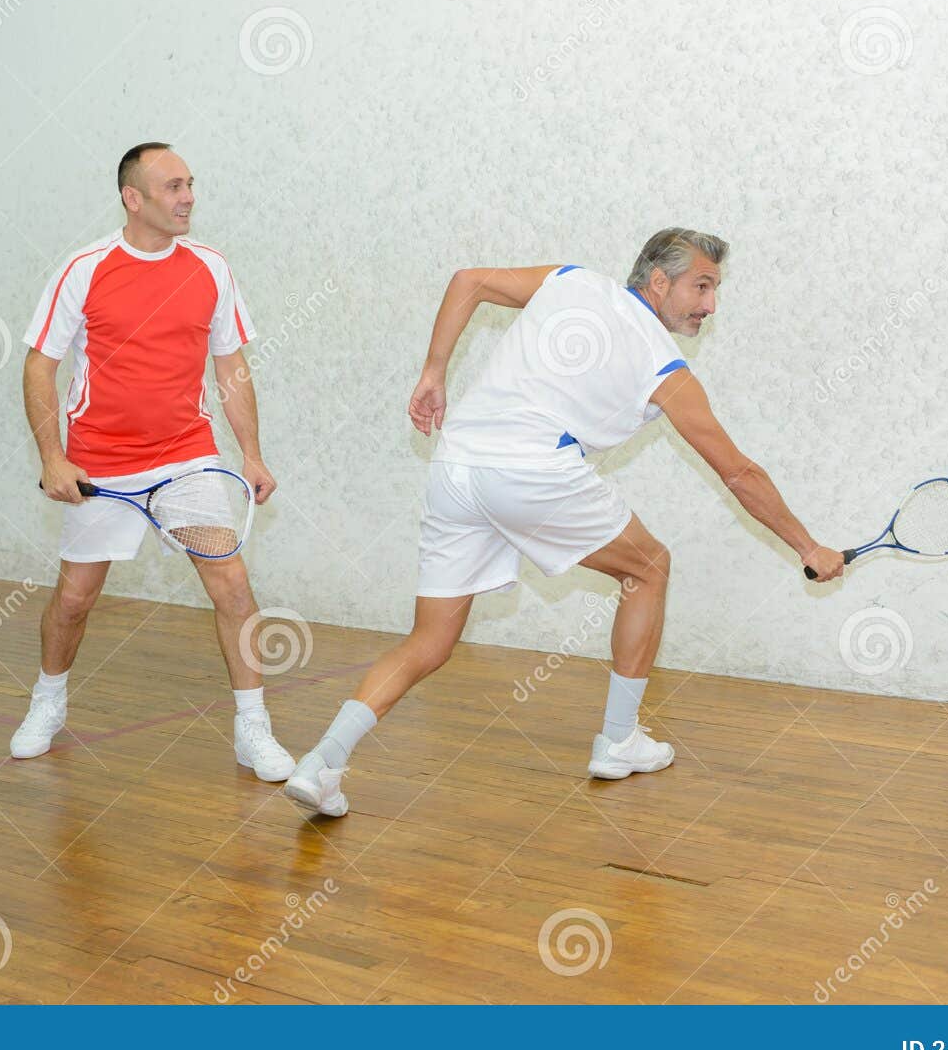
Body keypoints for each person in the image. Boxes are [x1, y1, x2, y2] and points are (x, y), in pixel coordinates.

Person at [285, 229, 845, 816]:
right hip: (530, 472)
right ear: (659, 281)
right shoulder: (663, 364)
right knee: (649, 567)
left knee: (428, 641)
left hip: (456, 465)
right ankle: (618, 738)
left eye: (715, 289)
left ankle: (321, 761)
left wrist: (433, 372)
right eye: (701, 287)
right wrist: (808, 546)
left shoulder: (571, 279)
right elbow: (738, 472)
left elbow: (467, 281)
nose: (710, 305)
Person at [13, 142, 294, 781]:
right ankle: (47, 702)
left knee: (233, 584)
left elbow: (231, 364)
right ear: (132, 198)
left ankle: (254, 729)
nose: (187, 196)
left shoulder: (210, 268)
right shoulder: (85, 269)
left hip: (185, 459)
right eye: (172, 187)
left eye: (190, 184)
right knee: (77, 598)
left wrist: (250, 453)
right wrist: (53, 458)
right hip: (101, 467)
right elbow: (39, 363)